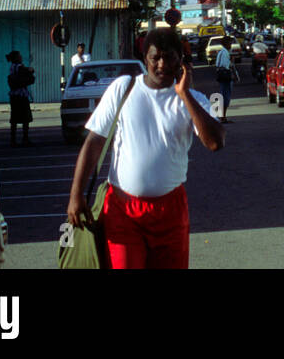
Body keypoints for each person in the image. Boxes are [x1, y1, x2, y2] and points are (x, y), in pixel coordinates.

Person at [66, 27, 224, 269]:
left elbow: (215, 142)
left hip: (171, 211)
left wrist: (185, 95)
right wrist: (76, 195)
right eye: (155, 57)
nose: (162, 64)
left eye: (169, 57)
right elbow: (94, 141)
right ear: (144, 59)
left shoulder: (194, 100)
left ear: (180, 60)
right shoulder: (123, 88)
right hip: (122, 209)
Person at [7, 51, 34, 146]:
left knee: (14, 118)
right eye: (19, 56)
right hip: (21, 95)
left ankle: (13, 139)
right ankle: (25, 139)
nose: (21, 57)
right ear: (16, 58)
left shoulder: (12, 67)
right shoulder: (19, 67)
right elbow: (29, 72)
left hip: (14, 95)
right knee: (25, 118)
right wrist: (30, 70)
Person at [213, 39, 237, 123]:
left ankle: (223, 117)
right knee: (225, 97)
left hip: (222, 75)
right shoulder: (224, 53)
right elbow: (225, 65)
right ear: (226, 44)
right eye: (229, 43)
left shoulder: (222, 52)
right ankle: (222, 117)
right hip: (225, 76)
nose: (230, 45)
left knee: (224, 95)